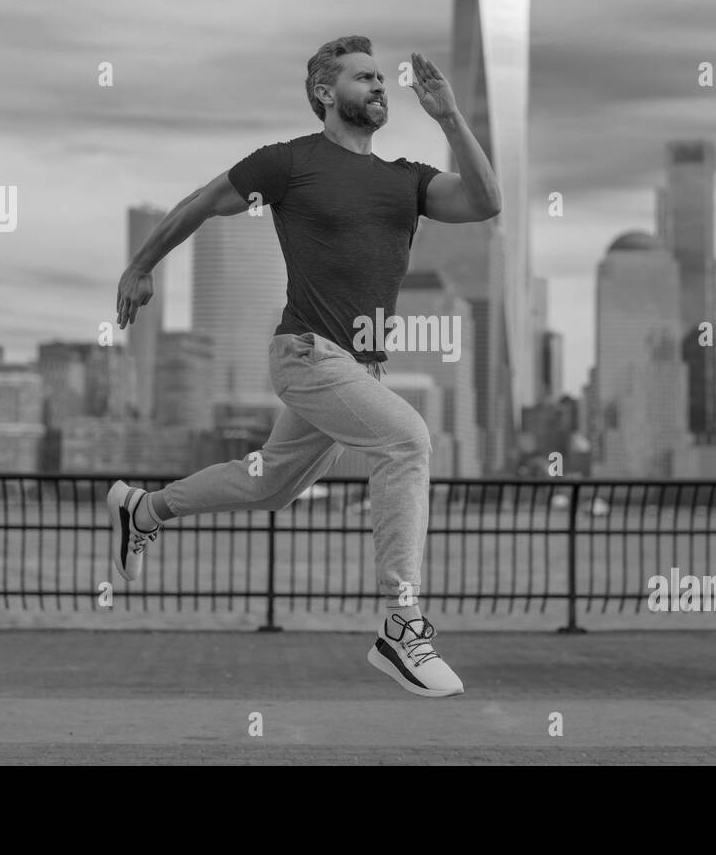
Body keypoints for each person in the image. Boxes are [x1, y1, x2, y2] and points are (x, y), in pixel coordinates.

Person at [108, 36, 501, 697]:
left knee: (269, 486)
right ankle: (402, 626)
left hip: (358, 371)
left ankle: (144, 509)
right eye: (363, 77)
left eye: (383, 78)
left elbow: (486, 202)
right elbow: (203, 202)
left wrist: (449, 117)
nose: (380, 86)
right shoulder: (289, 164)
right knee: (408, 439)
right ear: (326, 92)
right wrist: (140, 265)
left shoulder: (406, 178)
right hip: (306, 355)